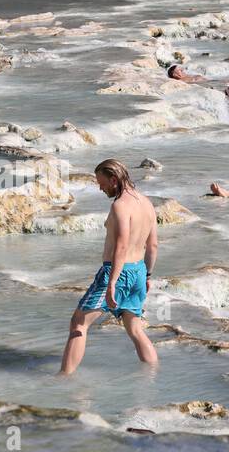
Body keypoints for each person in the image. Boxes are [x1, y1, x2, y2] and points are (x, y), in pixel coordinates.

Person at [59, 159, 159, 375]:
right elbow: (152, 245)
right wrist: (148, 275)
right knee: (135, 329)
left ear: (114, 179)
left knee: (79, 323)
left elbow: (121, 245)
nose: (100, 187)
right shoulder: (147, 203)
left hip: (116, 273)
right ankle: (152, 376)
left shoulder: (120, 205)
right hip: (139, 271)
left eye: (102, 182)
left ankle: (62, 381)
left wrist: (112, 282)